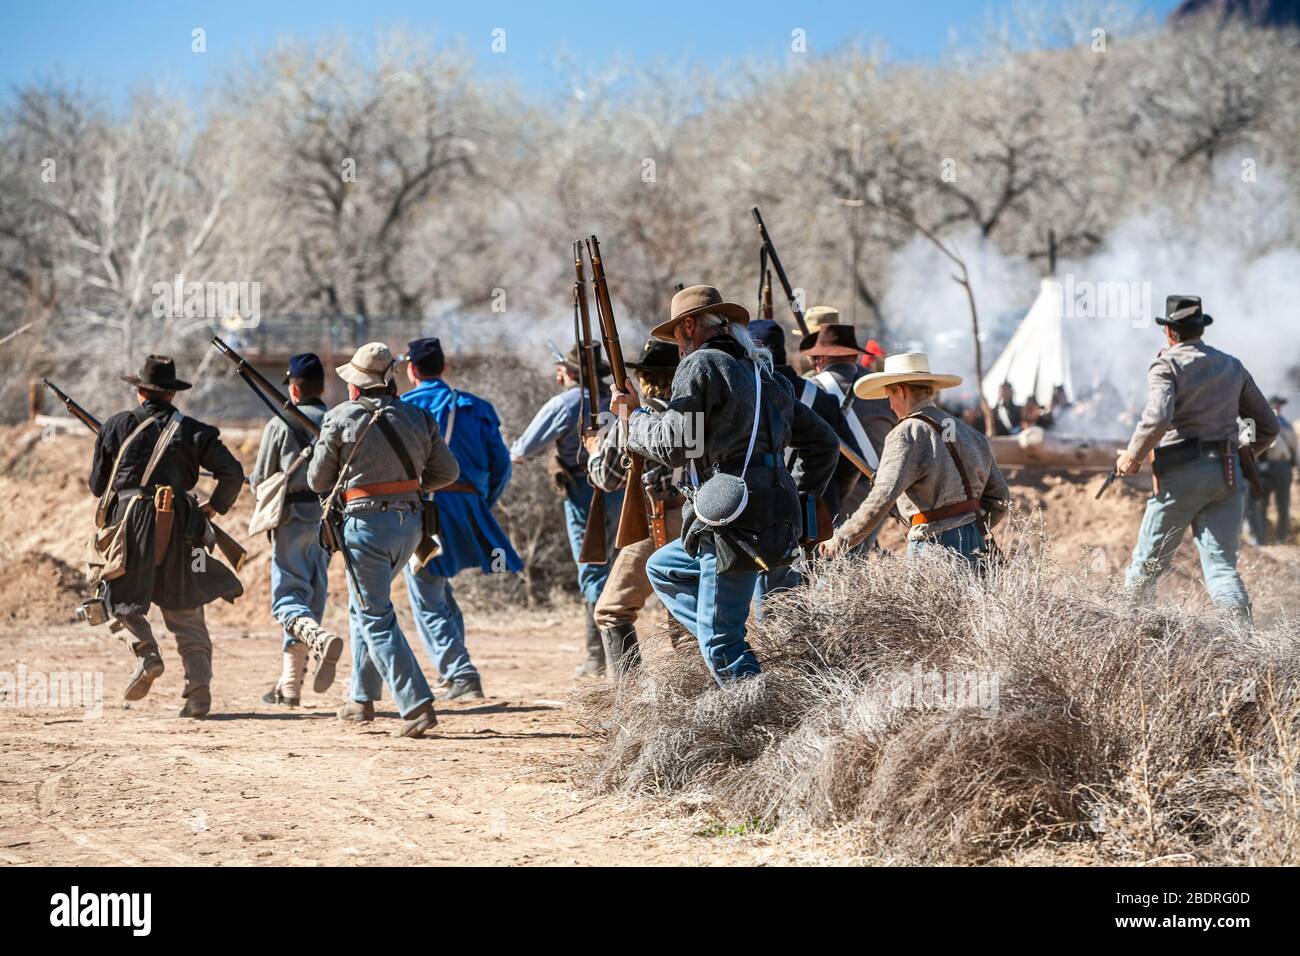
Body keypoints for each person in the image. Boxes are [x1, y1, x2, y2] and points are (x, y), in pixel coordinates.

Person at [612, 285, 839, 685]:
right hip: (776, 519)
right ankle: (726, 640)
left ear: (689, 326)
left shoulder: (700, 365)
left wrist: (633, 419)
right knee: (663, 567)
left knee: (720, 643)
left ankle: (761, 721)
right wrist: (800, 497)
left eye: (677, 336)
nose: (678, 347)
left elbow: (676, 446)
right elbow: (823, 443)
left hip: (732, 519)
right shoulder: (766, 376)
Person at [307, 342, 460, 738]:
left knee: (374, 615)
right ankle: (360, 698)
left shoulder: (340, 417)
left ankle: (416, 704)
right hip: (411, 526)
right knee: (366, 609)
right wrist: (406, 487)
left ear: (356, 385)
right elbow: (447, 471)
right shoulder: (419, 416)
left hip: (365, 527)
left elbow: (317, 481)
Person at [88, 355, 245, 717]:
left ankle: (146, 653)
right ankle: (199, 693)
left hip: (129, 530)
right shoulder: (194, 431)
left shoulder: (116, 426)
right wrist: (213, 508)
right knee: (187, 613)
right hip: (183, 529)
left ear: (140, 390)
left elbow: (98, 486)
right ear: (171, 395)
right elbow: (232, 474)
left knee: (111, 597)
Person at [1116, 296, 1278, 621]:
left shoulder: (1167, 364)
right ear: (1200, 329)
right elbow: (1268, 426)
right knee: (1221, 568)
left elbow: (1159, 417)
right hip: (1229, 474)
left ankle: (1127, 633)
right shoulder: (1231, 365)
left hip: (1181, 473)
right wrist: (1242, 454)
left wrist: (1132, 456)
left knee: (1147, 564)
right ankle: (1242, 643)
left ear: (1169, 333)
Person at [399, 337, 522, 700]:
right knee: (439, 591)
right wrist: (483, 503)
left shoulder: (403, 408)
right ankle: (454, 672)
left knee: (426, 594)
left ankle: (460, 672)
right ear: (444, 368)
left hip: (426, 510)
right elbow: (501, 465)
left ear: (411, 370)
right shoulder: (475, 407)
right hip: (470, 505)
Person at [821, 351, 1010, 563]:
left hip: (932, 551)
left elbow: (881, 498)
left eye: (889, 397)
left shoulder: (906, 433)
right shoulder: (972, 434)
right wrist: (971, 530)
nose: (890, 406)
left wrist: (839, 540)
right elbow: (1000, 498)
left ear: (901, 391)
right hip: (978, 547)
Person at [510, 345, 622, 676]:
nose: (557, 374)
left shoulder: (565, 403)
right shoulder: (616, 400)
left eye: (562, 368)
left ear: (571, 373)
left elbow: (522, 450)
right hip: (620, 490)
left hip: (585, 490)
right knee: (612, 568)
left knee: (592, 572)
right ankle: (608, 655)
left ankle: (599, 658)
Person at [747, 317, 862, 604]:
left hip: (768, 515)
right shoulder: (821, 398)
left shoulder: (749, 395)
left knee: (776, 603)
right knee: (819, 599)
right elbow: (847, 465)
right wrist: (826, 500)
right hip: (817, 515)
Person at [585, 337, 683, 673]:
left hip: (659, 519)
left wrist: (594, 451)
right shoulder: (694, 412)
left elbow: (607, 477)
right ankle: (698, 695)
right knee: (683, 612)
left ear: (643, 378)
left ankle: (628, 699)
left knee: (612, 610)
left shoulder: (638, 416)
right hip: (695, 517)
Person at [251, 353, 342, 708]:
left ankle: (315, 644)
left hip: (290, 518)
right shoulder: (336, 421)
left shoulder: (279, 423)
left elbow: (260, 481)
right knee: (314, 593)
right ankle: (289, 686)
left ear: (293, 388)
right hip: (326, 520)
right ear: (323, 387)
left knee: (288, 598)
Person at [798, 320, 897, 544]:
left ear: (820, 359)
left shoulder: (810, 387)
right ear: (853, 356)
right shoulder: (881, 389)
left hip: (830, 494)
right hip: (877, 495)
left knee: (820, 570)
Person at [1247, 395, 1296, 545]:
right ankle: (1260, 538)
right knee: (1261, 504)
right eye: (1276, 405)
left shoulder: (1286, 424)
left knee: (1283, 503)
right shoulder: (1260, 423)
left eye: (1280, 405)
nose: (1279, 408)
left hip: (1282, 465)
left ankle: (1282, 537)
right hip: (1263, 466)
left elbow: (1294, 449)